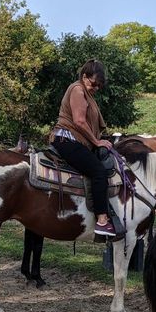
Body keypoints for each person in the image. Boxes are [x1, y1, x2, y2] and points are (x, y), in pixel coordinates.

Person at [51, 59, 116, 237]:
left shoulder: (87, 93)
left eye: (99, 86)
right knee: (98, 171)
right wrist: (96, 142)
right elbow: (79, 121)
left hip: (75, 141)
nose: (96, 88)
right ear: (84, 77)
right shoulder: (78, 90)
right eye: (94, 83)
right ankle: (102, 220)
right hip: (67, 139)